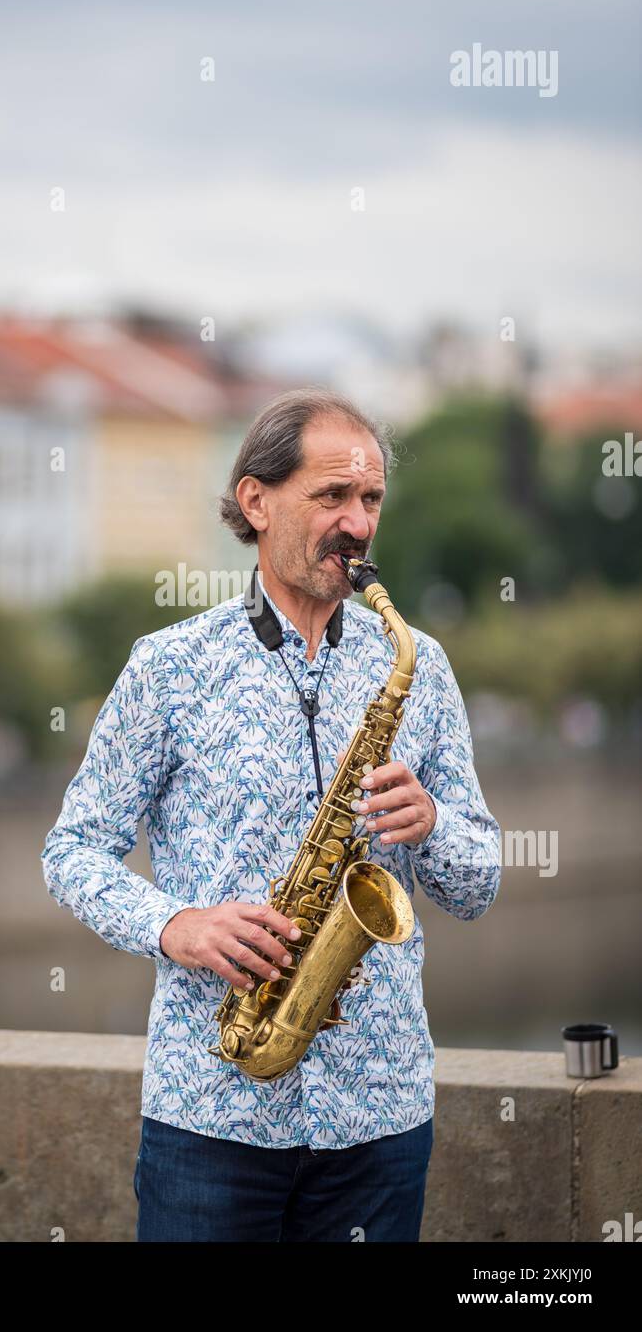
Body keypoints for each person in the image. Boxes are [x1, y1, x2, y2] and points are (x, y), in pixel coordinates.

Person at [41, 387, 502, 1242]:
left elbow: (476, 886)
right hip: (211, 1119)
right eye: (331, 497)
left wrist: (433, 823)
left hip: (379, 1118)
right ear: (255, 500)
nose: (358, 525)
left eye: (370, 501)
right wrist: (173, 922)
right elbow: (72, 851)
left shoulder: (419, 666)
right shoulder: (168, 667)